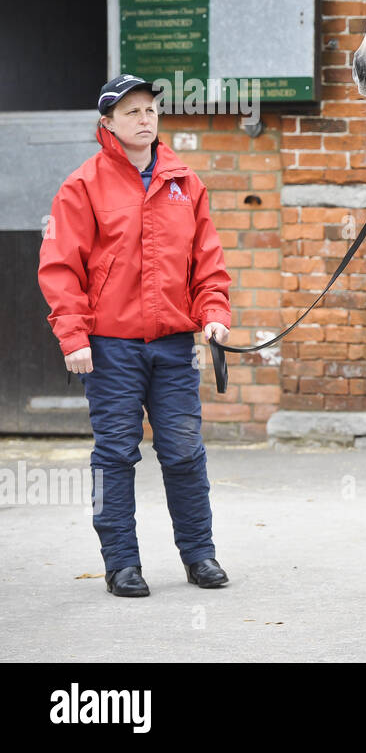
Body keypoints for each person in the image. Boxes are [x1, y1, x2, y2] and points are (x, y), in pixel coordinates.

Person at [38, 74, 233, 597]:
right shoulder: (83, 186)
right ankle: (121, 563)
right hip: (110, 347)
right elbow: (60, 267)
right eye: (131, 113)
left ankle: (200, 555)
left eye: (149, 110)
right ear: (107, 124)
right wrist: (73, 336)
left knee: (185, 452)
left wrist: (213, 311)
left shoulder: (184, 182)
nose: (144, 119)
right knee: (115, 454)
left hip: (173, 345)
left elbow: (206, 263)